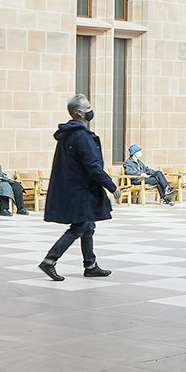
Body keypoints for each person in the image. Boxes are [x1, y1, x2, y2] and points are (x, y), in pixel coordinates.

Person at [38, 94, 118, 281]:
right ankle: (50, 261)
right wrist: (111, 185)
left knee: (88, 225)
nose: (91, 111)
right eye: (88, 108)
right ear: (80, 112)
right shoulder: (81, 135)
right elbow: (92, 165)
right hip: (80, 190)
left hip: (74, 188)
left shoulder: (68, 134)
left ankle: (90, 264)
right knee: (79, 226)